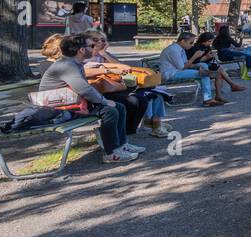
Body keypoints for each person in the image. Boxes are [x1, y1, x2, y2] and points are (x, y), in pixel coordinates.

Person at [39, 33, 139, 163]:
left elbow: (84, 89)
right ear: (81, 50)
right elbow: (84, 89)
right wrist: (104, 101)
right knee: (110, 110)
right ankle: (111, 153)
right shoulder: (67, 65)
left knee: (119, 106)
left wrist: (103, 101)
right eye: (91, 45)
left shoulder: (74, 63)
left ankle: (121, 145)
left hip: (69, 102)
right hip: (57, 108)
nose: (94, 48)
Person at [83, 30, 172, 138]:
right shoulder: (84, 57)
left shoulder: (106, 55)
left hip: (119, 86)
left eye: (103, 40)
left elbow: (123, 69)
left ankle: (151, 124)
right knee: (135, 100)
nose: (100, 43)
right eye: (95, 40)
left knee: (156, 93)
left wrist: (104, 54)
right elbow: (85, 73)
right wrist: (106, 69)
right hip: (101, 91)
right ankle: (134, 131)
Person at [159, 31, 224, 107]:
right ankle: (207, 99)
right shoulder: (173, 50)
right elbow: (182, 67)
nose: (192, 45)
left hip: (177, 71)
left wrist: (198, 67)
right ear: (183, 41)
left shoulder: (180, 49)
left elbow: (187, 64)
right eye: (191, 43)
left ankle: (208, 97)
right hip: (170, 74)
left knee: (203, 67)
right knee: (204, 74)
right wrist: (195, 57)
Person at [190, 32, 247, 98]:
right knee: (219, 70)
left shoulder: (207, 46)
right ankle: (232, 86)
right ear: (204, 40)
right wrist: (205, 57)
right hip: (200, 68)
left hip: (207, 65)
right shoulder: (196, 48)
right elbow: (194, 62)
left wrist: (210, 57)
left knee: (219, 71)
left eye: (211, 41)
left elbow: (208, 58)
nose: (210, 43)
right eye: (209, 41)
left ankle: (224, 92)